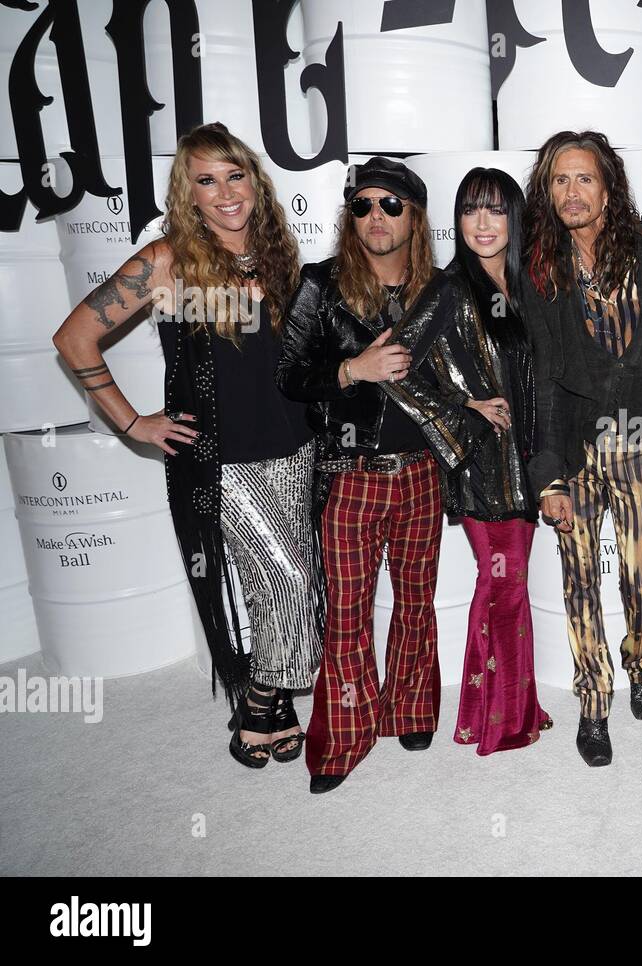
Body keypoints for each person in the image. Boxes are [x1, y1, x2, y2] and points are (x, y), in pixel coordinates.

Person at [52, 122, 320, 769]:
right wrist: (131, 422)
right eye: (207, 180)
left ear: (254, 181)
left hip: (297, 447)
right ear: (189, 193)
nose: (225, 192)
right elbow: (74, 337)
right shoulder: (166, 261)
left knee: (280, 584)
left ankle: (278, 706)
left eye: (235, 175)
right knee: (289, 583)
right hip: (224, 459)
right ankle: (259, 703)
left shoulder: (282, 255)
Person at [277, 157, 473, 793]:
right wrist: (349, 370)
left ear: (414, 215)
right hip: (351, 476)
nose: (376, 217)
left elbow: (452, 378)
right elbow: (289, 379)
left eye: (391, 205)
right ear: (348, 215)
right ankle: (341, 738)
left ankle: (413, 711)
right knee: (347, 616)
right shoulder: (320, 285)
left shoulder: (440, 290)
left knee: (416, 604)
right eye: (362, 205)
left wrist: (473, 406)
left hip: (420, 473)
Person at [521, 131, 642, 767]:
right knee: (579, 578)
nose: (572, 192)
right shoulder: (542, 271)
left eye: (584, 178)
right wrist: (548, 476)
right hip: (579, 446)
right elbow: (546, 378)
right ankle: (594, 700)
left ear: (608, 185)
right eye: (559, 180)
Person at [413, 167, 552, 755]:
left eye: (496, 210)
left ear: (514, 219)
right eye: (471, 210)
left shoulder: (525, 286)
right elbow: (398, 368)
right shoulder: (449, 290)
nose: (483, 223)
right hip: (481, 467)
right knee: (502, 586)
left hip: (525, 468)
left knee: (505, 589)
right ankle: (497, 719)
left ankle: (509, 705)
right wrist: (464, 406)